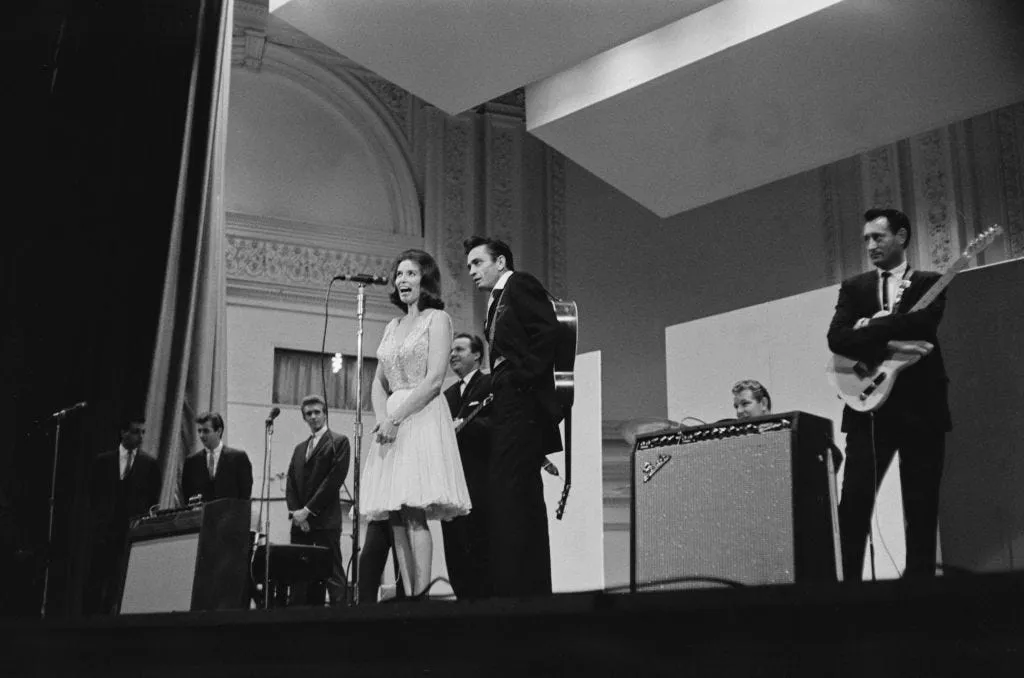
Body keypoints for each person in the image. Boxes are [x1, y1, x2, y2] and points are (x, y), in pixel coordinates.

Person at [827, 207, 950, 580]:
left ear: (901, 236)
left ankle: (920, 599)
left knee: (922, 508)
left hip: (922, 409)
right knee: (854, 506)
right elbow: (837, 338)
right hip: (868, 411)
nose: (870, 245)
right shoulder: (854, 287)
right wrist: (891, 341)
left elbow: (924, 325)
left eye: (878, 237)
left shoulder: (932, 281)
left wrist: (873, 326)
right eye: (866, 238)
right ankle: (844, 597)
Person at [359, 249, 471, 598]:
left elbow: (436, 379)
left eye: (409, 273)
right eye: (399, 274)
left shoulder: (438, 319)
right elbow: (378, 382)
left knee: (413, 512)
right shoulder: (391, 327)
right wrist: (383, 419)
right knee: (393, 514)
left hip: (419, 416)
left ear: (425, 279)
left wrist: (397, 416)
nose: (402, 280)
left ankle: (421, 595)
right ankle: (407, 596)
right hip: (391, 422)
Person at [465, 235, 562, 597]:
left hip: (522, 403)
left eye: (478, 262)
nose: (472, 271)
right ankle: (519, 584)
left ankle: (525, 587)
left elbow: (548, 330)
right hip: (508, 401)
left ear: (501, 262)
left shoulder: (519, 284)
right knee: (512, 494)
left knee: (514, 493)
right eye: (470, 265)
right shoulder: (496, 300)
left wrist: (522, 378)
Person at [85, 417, 161, 614]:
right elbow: (93, 496)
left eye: (143, 432)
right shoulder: (103, 461)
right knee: (97, 580)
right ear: (123, 433)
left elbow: (153, 500)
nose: (141, 437)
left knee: (122, 581)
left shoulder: (149, 464)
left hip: (131, 532)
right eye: (136, 432)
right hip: (104, 532)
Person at [285, 395, 350, 606]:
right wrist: (296, 512)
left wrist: (308, 511)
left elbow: (333, 481)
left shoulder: (339, 442)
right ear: (304, 418)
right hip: (300, 524)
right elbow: (291, 482)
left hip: (325, 522)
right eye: (308, 414)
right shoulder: (299, 449)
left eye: (317, 412)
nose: (313, 417)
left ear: (325, 413)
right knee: (300, 578)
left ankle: (341, 621)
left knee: (332, 573)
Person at [441, 332, 492, 600]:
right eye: (451, 350)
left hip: (480, 483)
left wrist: (465, 427)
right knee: (455, 545)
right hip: (452, 484)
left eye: (460, 349)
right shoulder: (446, 395)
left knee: (481, 546)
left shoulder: (491, 384)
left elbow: (498, 424)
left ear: (477, 355)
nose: (452, 355)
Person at [182, 412, 253, 502]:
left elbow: (244, 495)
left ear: (219, 431)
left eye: (206, 431)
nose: (201, 435)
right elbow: (187, 496)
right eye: (199, 431)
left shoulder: (238, 458)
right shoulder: (191, 462)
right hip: (202, 515)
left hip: (229, 514)